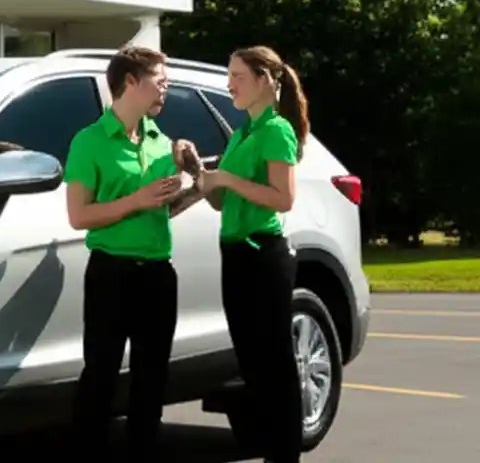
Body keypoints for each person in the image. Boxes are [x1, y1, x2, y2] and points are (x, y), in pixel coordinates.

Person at [64, 45, 204, 461]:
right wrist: (136, 200)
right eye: (161, 82)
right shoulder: (88, 142)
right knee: (101, 375)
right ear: (130, 82)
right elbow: (79, 215)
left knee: (152, 378)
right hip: (111, 274)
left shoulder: (163, 143)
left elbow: (163, 209)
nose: (167, 89)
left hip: (158, 276)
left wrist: (195, 186)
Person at [198, 45, 308, 463]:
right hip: (236, 255)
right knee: (252, 363)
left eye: (237, 77)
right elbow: (224, 202)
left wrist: (228, 177)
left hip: (264, 255)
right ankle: (272, 450)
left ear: (264, 79)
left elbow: (283, 198)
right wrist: (205, 179)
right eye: (229, 76)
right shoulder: (243, 132)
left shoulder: (276, 130)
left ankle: (284, 456)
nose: (230, 85)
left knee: (274, 363)